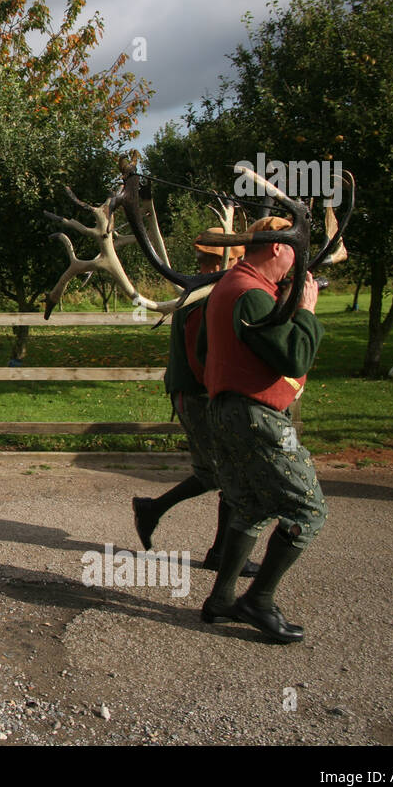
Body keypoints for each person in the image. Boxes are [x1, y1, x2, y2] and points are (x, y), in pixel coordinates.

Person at [196, 217, 327, 643]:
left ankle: (220, 601)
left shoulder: (229, 287)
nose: (298, 263)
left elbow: (204, 350)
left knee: (249, 504)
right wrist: (305, 311)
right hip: (257, 418)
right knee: (306, 509)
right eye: (296, 251)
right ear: (276, 249)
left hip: (227, 413)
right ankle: (259, 600)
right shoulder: (251, 294)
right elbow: (295, 357)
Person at [132, 229, 258, 576]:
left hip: (193, 394)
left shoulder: (201, 291)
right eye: (238, 259)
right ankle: (221, 553)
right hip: (200, 396)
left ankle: (153, 510)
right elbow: (200, 357)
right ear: (223, 260)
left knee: (213, 472)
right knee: (232, 472)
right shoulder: (205, 298)